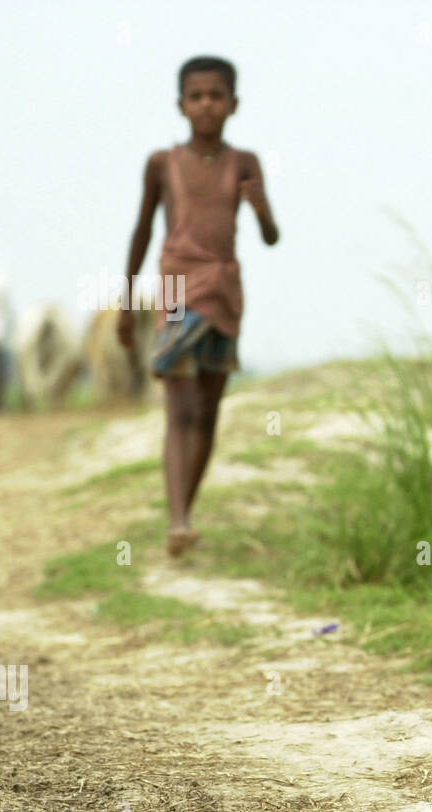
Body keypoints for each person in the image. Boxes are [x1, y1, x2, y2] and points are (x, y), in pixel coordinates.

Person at [118, 55, 279, 557]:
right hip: (174, 284)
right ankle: (178, 518)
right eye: (196, 96)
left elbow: (271, 237)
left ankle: (182, 515)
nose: (206, 104)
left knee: (208, 412)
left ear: (233, 104)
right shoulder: (162, 163)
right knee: (180, 407)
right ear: (181, 105)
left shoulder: (244, 162)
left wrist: (259, 208)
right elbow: (143, 229)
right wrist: (127, 300)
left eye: (216, 95)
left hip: (225, 289)